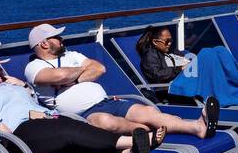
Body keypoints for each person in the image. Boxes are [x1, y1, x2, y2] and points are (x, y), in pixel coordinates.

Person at [0, 50, 155, 153]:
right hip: (18, 135)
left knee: (75, 138)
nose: (1, 70)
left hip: (45, 122)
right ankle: (135, 141)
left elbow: (33, 102)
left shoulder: (10, 85)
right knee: (69, 131)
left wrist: (24, 86)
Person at [24, 23, 217, 141]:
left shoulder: (72, 55)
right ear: (44, 43)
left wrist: (71, 78)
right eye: (57, 37)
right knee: (107, 122)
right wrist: (76, 72)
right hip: (81, 115)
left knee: (148, 111)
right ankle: (152, 132)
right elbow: (57, 77)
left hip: (107, 101)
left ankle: (197, 127)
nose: (62, 39)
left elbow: (99, 68)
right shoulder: (33, 67)